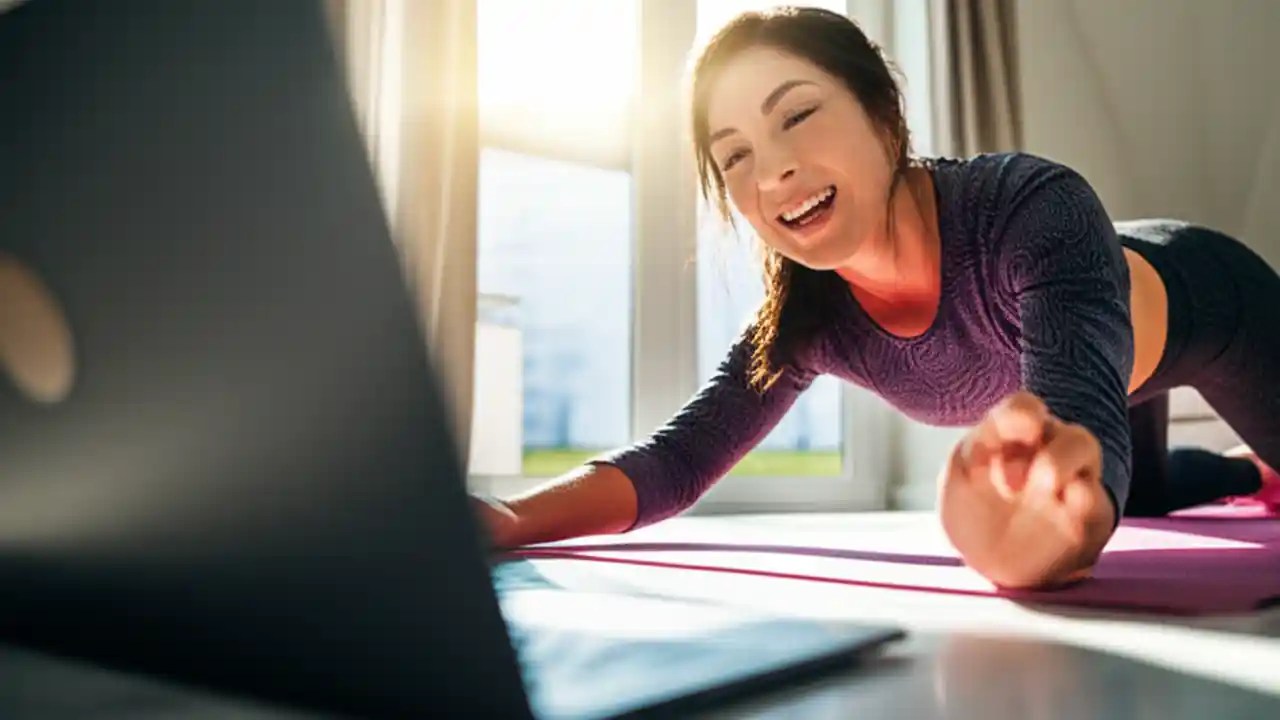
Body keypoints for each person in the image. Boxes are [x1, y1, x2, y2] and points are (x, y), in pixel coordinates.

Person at [471, 6, 1280, 590]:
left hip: (1216, 308)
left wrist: (1029, 548)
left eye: (798, 115)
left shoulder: (1032, 210)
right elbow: (679, 459)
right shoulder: (807, 322)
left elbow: (1078, 411)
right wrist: (512, 519)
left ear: (884, 115)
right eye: (735, 157)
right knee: (1135, 492)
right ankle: (1247, 476)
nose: (775, 171)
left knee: (1099, 475)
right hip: (1106, 369)